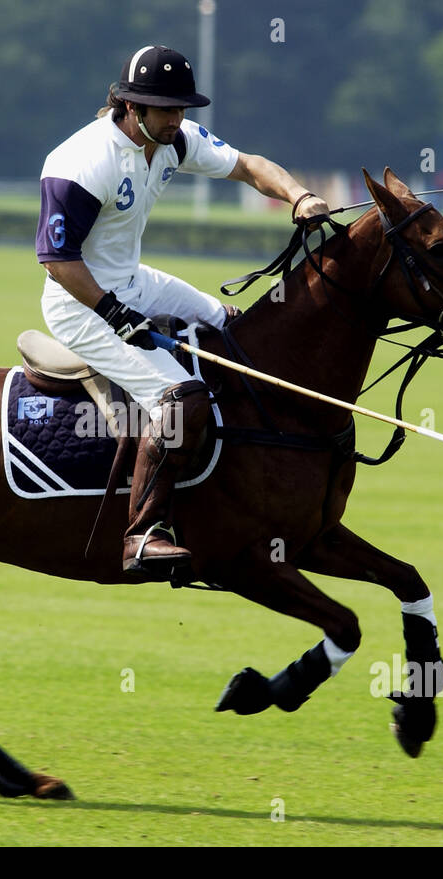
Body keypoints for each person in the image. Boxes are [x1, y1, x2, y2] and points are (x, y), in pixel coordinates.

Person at [36, 44, 329, 579]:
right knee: (180, 398)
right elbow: (57, 261)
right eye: (165, 109)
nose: (177, 119)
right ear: (129, 105)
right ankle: (142, 534)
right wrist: (114, 313)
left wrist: (299, 195)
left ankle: (234, 488)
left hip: (134, 280)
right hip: (79, 303)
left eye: (181, 109)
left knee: (237, 331)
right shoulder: (81, 162)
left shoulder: (173, 140)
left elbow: (248, 166)